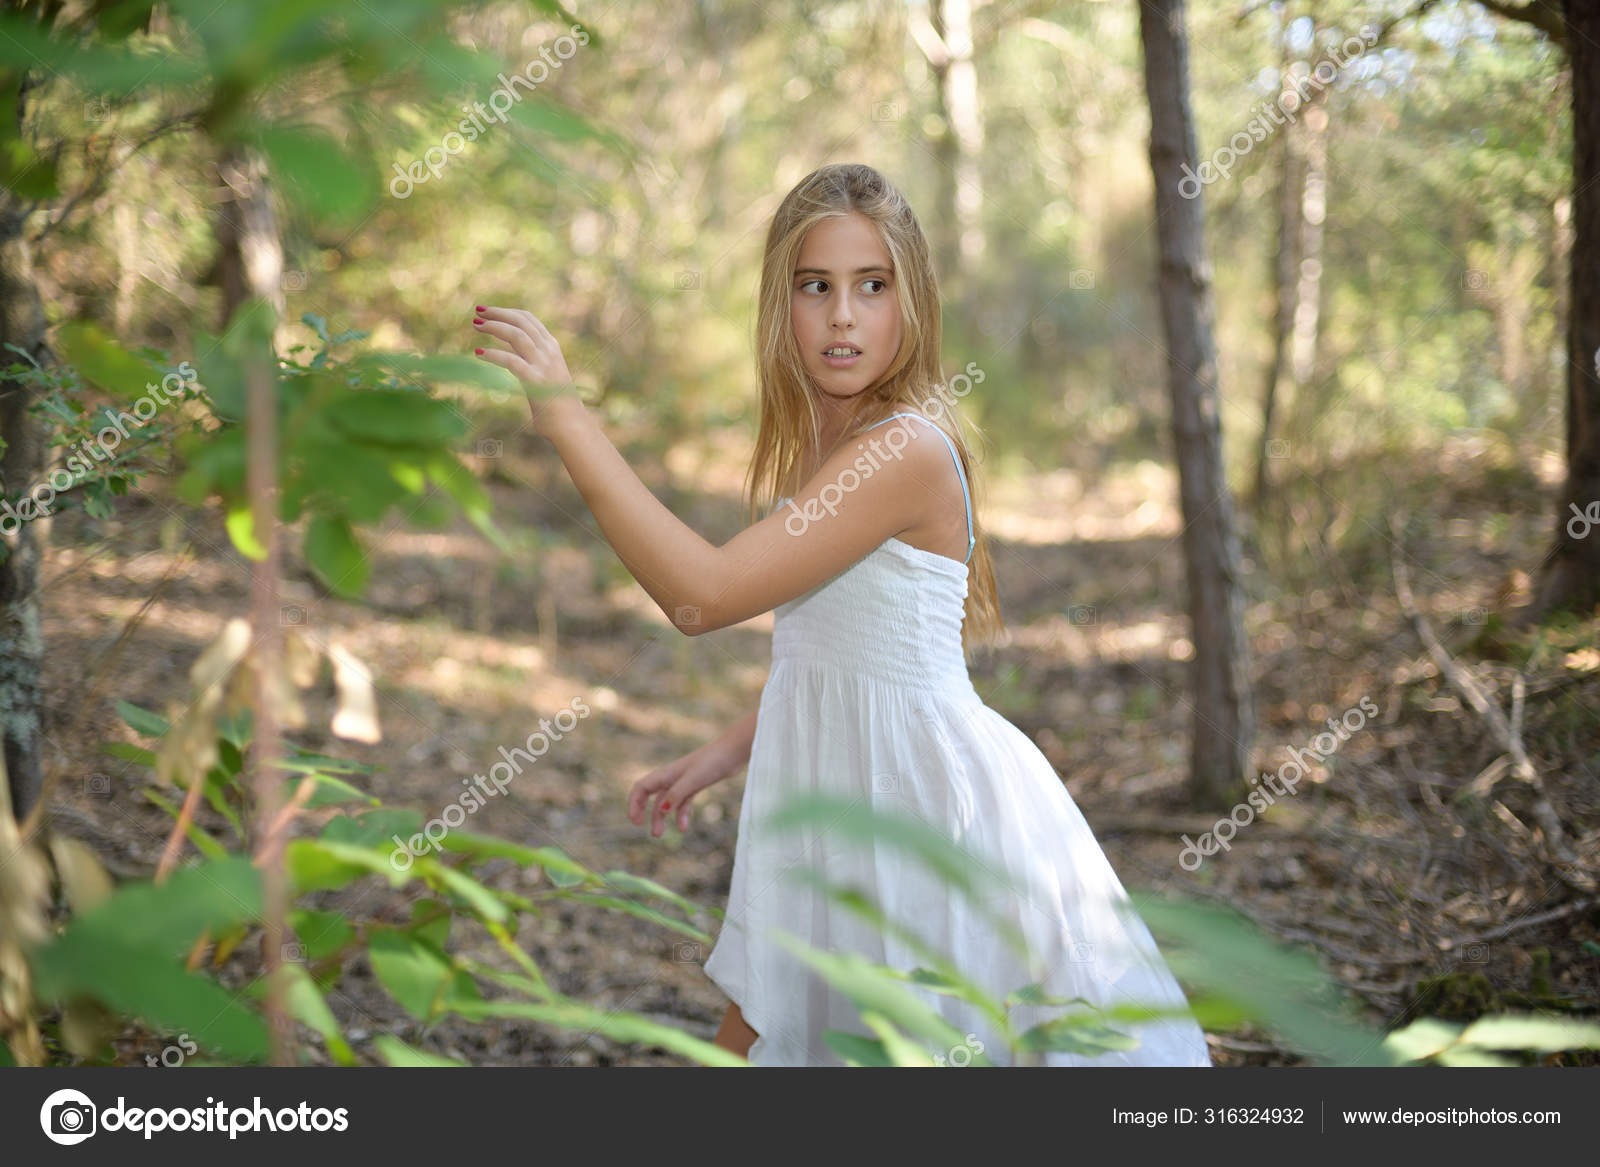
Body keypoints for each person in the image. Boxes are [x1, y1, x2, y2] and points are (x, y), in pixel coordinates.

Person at [472, 161, 1211, 1067]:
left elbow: (699, 597)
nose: (843, 316)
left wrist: (568, 421)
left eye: (873, 286)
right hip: (837, 786)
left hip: (915, 806)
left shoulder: (897, 449)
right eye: (814, 287)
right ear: (780, 305)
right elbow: (851, 643)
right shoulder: (834, 443)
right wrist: (729, 748)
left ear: (915, 302)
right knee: (774, 1034)